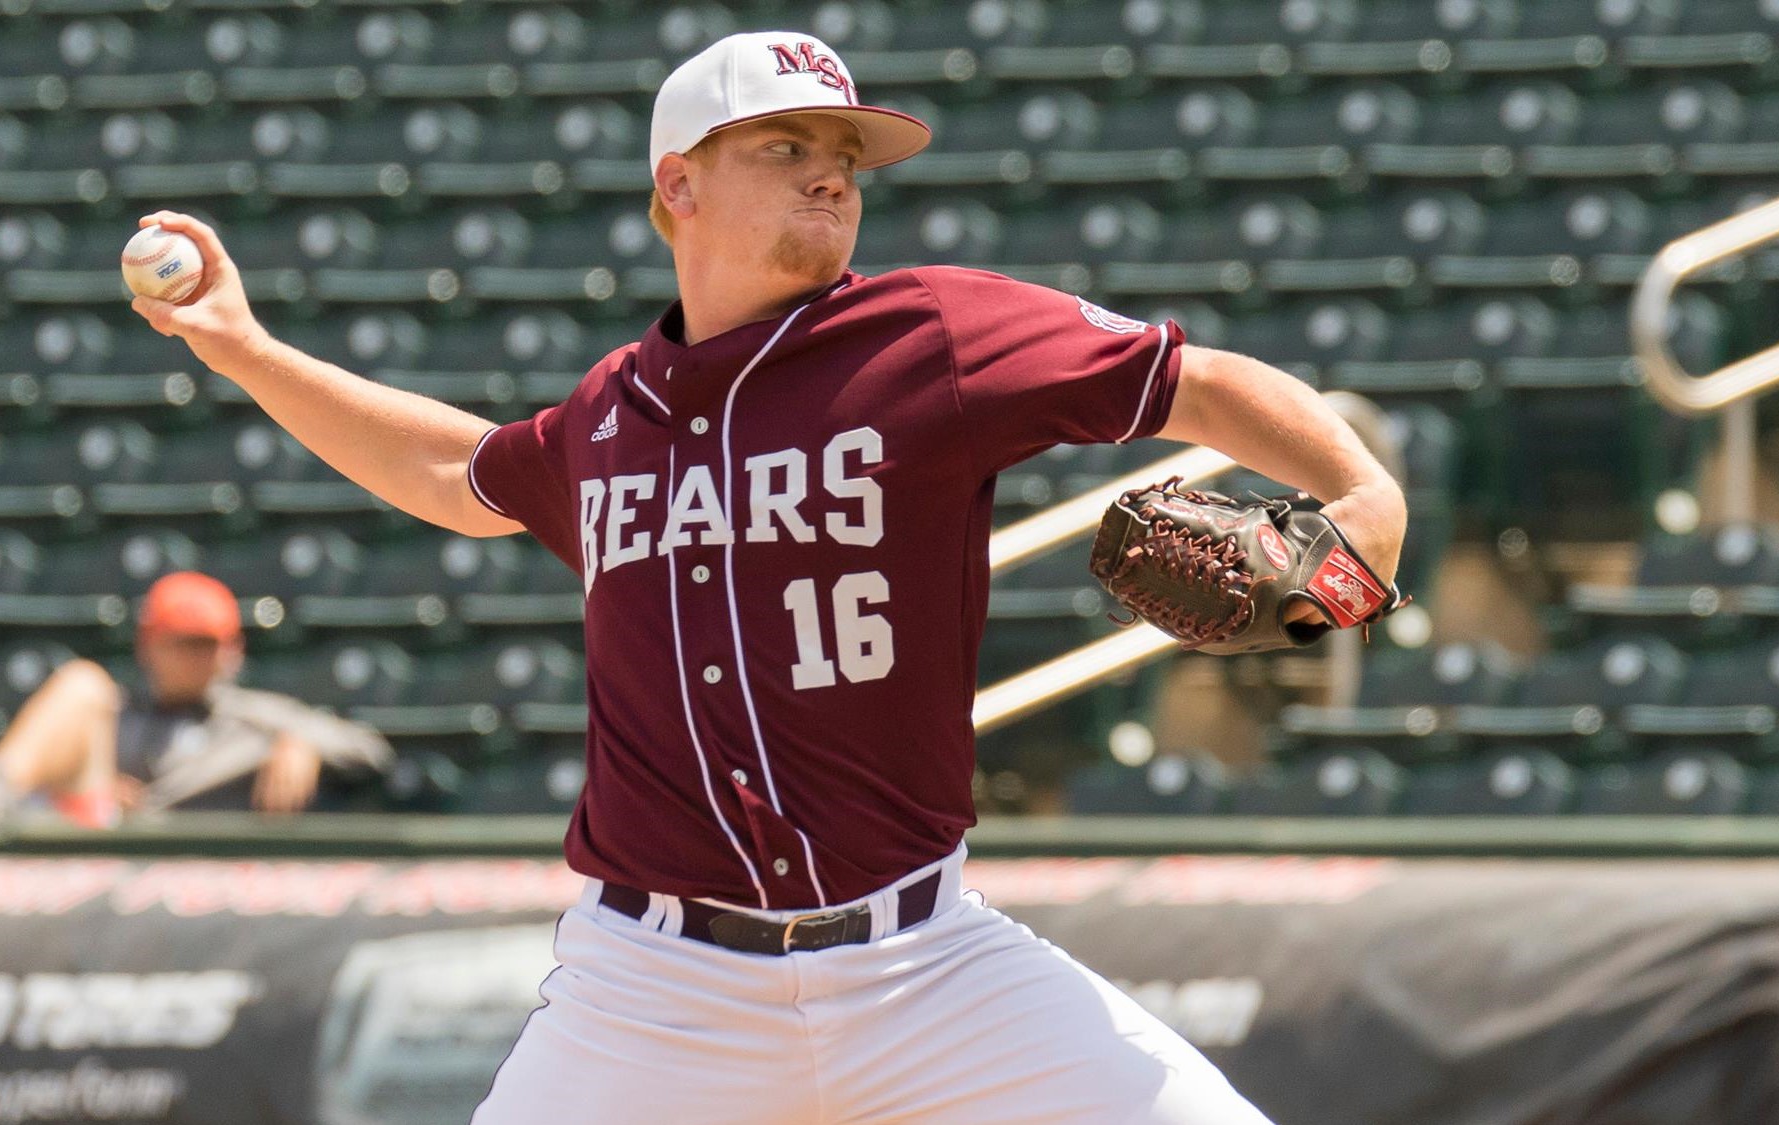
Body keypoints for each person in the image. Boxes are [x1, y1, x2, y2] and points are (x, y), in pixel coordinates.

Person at [128, 30, 1406, 1123]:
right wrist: (243, 349)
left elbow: (1198, 381)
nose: (831, 180)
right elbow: (447, 471)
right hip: (652, 992)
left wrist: (1367, 503)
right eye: (784, 150)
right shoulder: (607, 414)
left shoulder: (933, 335)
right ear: (676, 184)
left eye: (844, 159)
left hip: (923, 966)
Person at [0, 571, 392, 824]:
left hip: (193, 869)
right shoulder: (111, 713)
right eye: (183, 643)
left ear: (233, 650)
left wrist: (303, 742)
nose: (198, 658)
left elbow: (373, 752)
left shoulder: (257, 716)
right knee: (81, 685)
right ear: (148, 645)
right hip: (96, 849)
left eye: (209, 644)